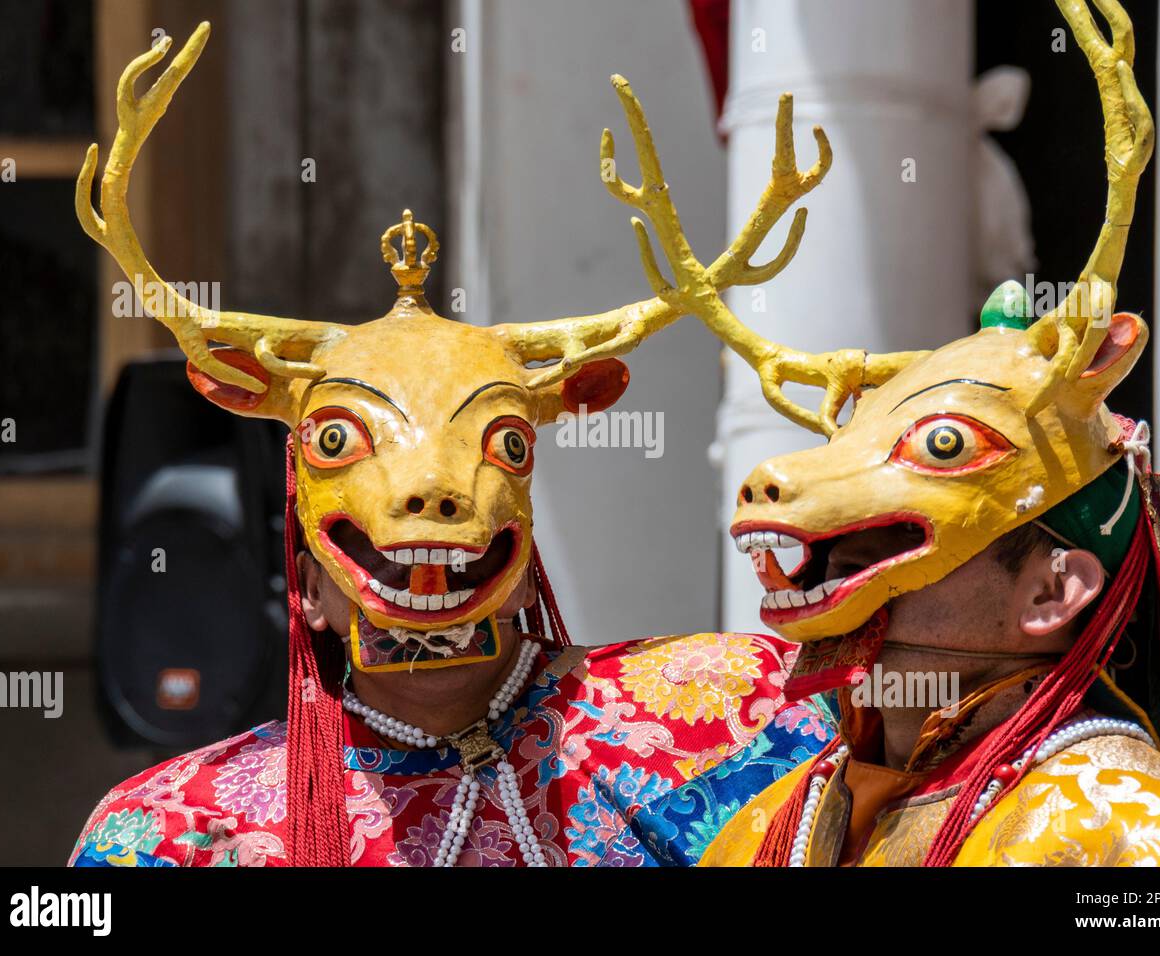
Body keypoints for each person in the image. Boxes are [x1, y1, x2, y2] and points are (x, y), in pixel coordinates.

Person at [68, 23, 833, 867]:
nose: (428, 494)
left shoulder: (733, 715)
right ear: (308, 581)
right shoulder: (178, 830)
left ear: (526, 531)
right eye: (339, 443)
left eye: (497, 443)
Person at [623, 0, 1160, 867]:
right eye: (839, 559)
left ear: (1052, 592)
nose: (836, 574)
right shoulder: (770, 822)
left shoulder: (1149, 844)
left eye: (943, 450)